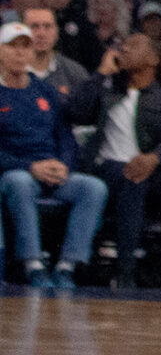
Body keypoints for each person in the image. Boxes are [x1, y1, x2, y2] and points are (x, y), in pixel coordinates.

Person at [84, 30, 161, 288]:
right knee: (133, 175)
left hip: (152, 168)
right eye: (123, 45)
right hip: (109, 169)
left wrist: (154, 157)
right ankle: (125, 271)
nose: (124, 49)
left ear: (153, 59)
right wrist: (101, 74)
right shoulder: (108, 92)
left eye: (133, 45)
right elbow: (76, 109)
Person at [0, 19, 106, 289]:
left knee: (93, 187)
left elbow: (65, 136)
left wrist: (63, 166)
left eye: (26, 47)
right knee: (19, 182)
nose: (20, 53)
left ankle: (67, 266)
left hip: (53, 172)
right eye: (13, 47)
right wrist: (30, 166)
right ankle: (33, 264)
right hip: (14, 172)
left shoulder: (43, 89)